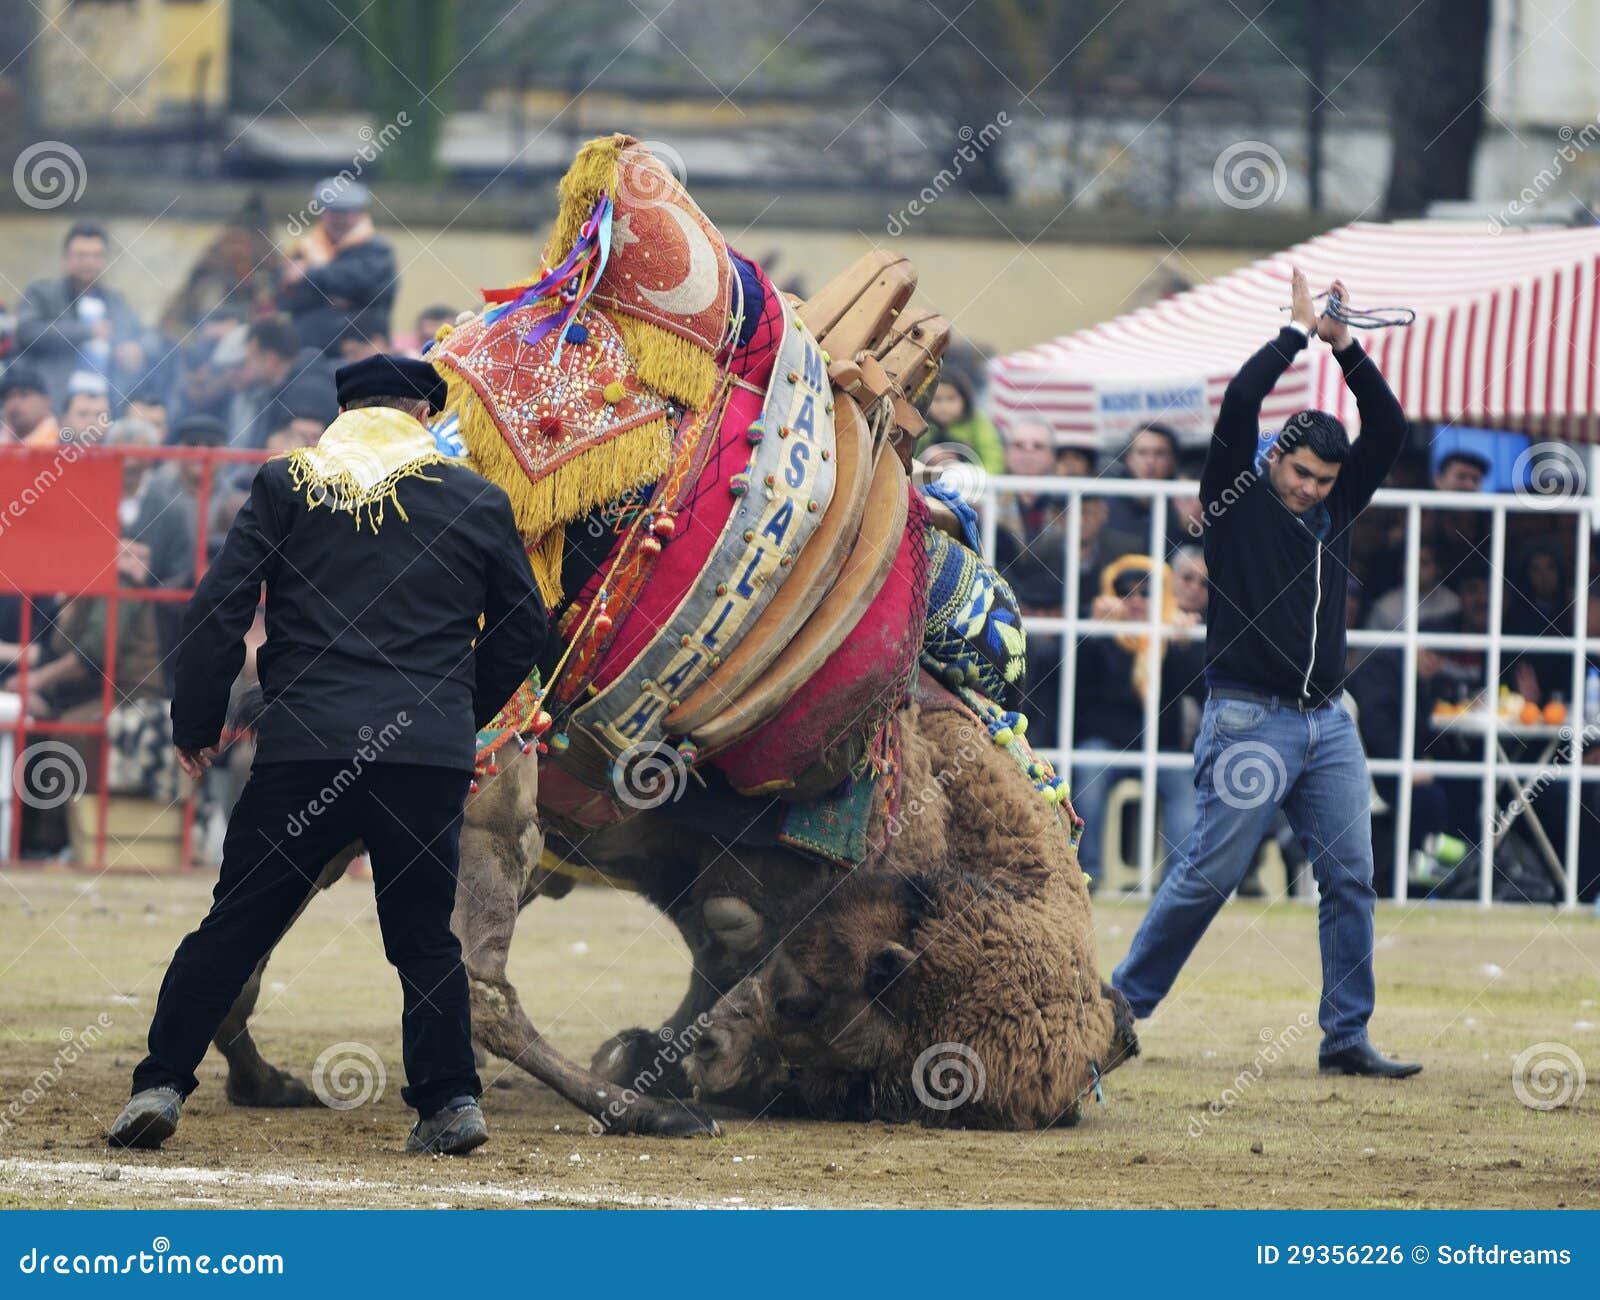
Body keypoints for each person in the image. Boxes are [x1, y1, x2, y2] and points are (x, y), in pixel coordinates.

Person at [108, 354, 546, 1156]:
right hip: (423, 758)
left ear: (345, 411)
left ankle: (160, 1083)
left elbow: (218, 607)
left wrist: (195, 721)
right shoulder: (477, 498)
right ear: (423, 412)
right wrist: (452, 714)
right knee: (422, 937)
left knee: (236, 923)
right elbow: (525, 627)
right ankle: (449, 1103)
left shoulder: (287, 484)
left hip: (305, 745)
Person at [1112, 269, 1422, 1079]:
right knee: (1208, 876)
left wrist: (1345, 346)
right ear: (1276, 459)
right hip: (1249, 715)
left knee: (1352, 876)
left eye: (1325, 481)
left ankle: (1345, 1036)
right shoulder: (1234, 495)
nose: (1312, 490)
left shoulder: (1336, 507)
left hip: (1329, 720)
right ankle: (1116, 1013)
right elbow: (1239, 406)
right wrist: (1294, 333)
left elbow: (1388, 425)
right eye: (1302, 474)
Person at [1070, 556, 1204, 887]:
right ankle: (1089, 875)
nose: (1136, 602)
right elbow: (1075, 685)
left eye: (1147, 594)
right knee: (1088, 770)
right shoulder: (1098, 633)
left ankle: (1177, 883)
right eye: (1125, 593)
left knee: (1184, 784)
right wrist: (1096, 631)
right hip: (1106, 742)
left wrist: (1182, 647)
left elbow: (1198, 688)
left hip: (1162, 744)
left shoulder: (1174, 630)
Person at [14, 221, 149, 406]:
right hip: (54, 400)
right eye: (81, 255)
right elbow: (27, 332)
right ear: (66, 258)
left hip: (105, 403)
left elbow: (142, 338)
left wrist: (134, 351)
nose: (89, 262)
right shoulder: (42, 293)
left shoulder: (116, 301)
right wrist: (86, 331)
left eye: (96, 256)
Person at [276, 179, 398, 356]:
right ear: (322, 214)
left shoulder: (377, 250)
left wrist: (310, 274)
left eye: (347, 213)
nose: (340, 219)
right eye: (333, 212)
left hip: (359, 350)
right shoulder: (303, 249)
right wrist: (338, 294)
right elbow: (286, 299)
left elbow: (365, 284)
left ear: (360, 214)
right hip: (309, 349)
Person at [914, 367, 1004, 474]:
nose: (944, 406)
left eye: (951, 398)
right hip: (927, 484)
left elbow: (992, 455)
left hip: (971, 483)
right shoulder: (919, 423)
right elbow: (910, 458)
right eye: (937, 400)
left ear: (964, 399)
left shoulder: (976, 422)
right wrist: (927, 457)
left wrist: (984, 479)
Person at [0, 363, 59, 446]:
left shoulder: (67, 445)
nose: (14, 403)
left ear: (46, 401)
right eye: (7, 397)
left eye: (23, 395)